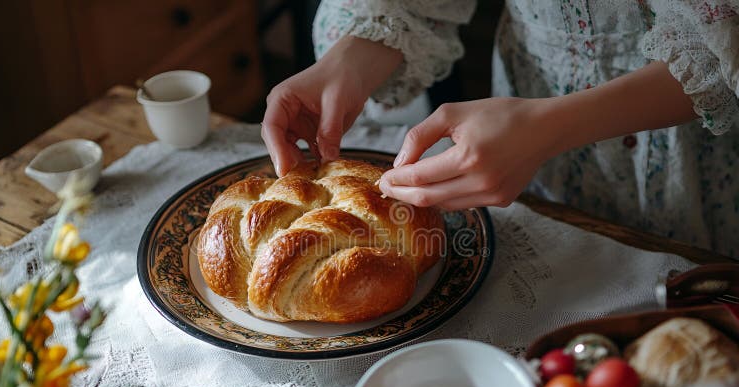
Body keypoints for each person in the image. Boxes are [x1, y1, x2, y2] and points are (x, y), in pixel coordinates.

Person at [260, 1, 739, 256]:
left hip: (705, 158)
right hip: (520, 143)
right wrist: (351, 60)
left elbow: (724, 41)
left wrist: (547, 128)